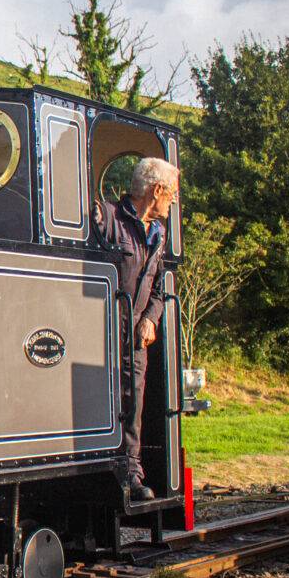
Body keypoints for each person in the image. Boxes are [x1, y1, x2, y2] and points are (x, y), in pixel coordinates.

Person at [94, 156, 179, 502]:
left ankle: (132, 473)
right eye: (171, 194)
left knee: (134, 407)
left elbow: (160, 289)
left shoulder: (158, 235)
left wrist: (151, 318)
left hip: (136, 336)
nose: (172, 200)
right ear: (156, 190)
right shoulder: (109, 219)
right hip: (102, 334)